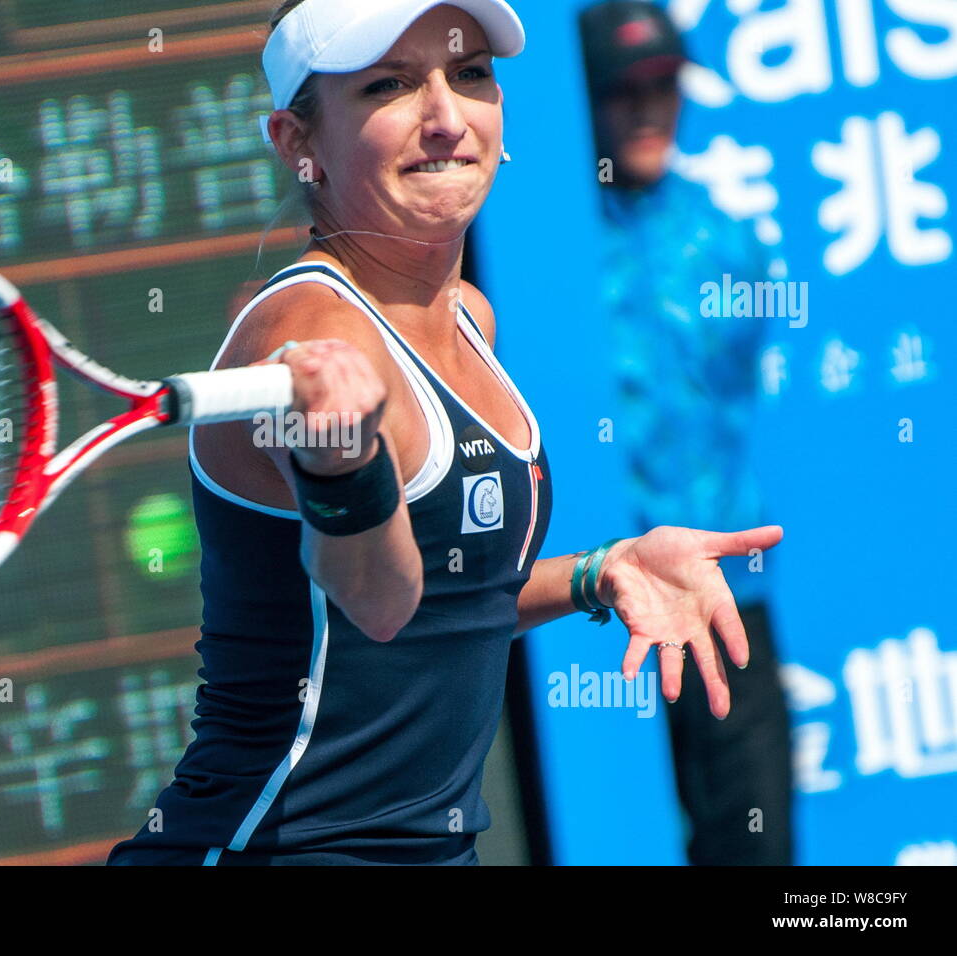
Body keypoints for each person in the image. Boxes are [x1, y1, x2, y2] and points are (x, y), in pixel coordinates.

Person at [107, 0, 781, 866]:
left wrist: (596, 572)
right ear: (295, 141)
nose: (445, 118)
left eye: (469, 75)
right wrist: (341, 465)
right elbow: (379, 602)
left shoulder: (468, 318)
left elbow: (445, 603)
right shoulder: (311, 337)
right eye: (388, 85)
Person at [578, 0, 794, 864]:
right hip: (591, 606)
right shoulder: (541, 252)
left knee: (758, 850)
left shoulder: (728, 241)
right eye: (624, 90)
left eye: (664, 86)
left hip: (719, 603)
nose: (648, 111)